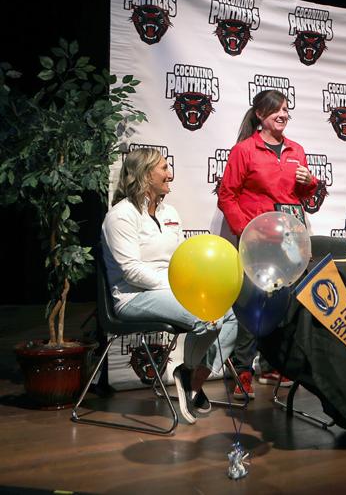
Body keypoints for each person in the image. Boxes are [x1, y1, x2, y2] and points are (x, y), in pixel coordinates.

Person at [102, 148, 237, 425]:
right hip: (133, 297)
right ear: (144, 174)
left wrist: (196, 283)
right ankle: (187, 376)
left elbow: (182, 260)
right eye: (164, 168)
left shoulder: (170, 212)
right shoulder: (120, 215)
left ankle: (192, 379)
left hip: (171, 290)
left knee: (230, 313)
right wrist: (179, 288)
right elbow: (131, 271)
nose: (170, 174)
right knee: (205, 315)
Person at [218, 90, 317, 394]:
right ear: (260, 114)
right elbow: (227, 195)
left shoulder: (296, 150)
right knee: (255, 302)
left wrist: (310, 183)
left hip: (290, 239)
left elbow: (300, 196)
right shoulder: (244, 150)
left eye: (286, 109)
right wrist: (246, 230)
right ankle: (242, 369)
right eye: (276, 110)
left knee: (284, 301)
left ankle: (272, 365)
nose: (283, 114)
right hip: (258, 240)